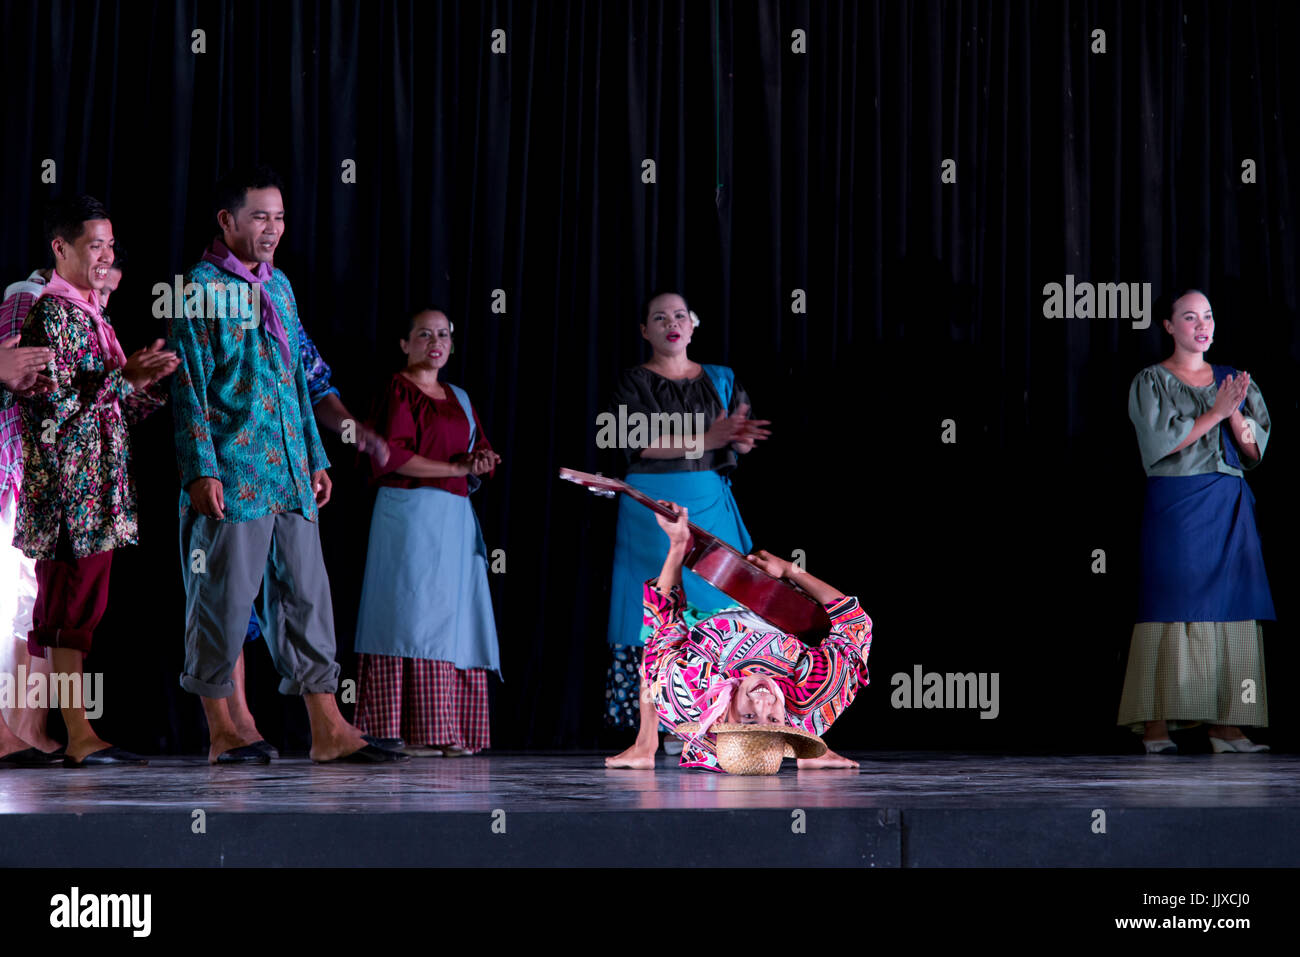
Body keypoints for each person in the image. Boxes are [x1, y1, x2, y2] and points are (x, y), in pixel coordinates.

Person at [169, 164, 403, 764]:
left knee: (306, 597)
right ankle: (223, 731)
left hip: (291, 474)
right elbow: (189, 388)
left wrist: (316, 457)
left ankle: (328, 729)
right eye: (259, 217)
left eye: (279, 217)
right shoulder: (199, 289)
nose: (273, 228)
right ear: (227, 221)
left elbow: (297, 381)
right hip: (234, 474)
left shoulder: (280, 288)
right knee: (222, 599)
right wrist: (200, 471)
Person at [13, 196, 179, 766]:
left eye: (111, 245)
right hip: (65, 491)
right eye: (94, 246)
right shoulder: (50, 313)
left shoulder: (91, 315)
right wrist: (121, 380)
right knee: (65, 613)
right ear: (61, 249)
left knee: (82, 611)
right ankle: (78, 735)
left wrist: (145, 385)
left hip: (97, 487)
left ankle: (78, 734)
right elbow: (48, 408)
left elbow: (107, 414)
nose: (106, 256)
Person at [604, 291, 770, 769]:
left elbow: (741, 442)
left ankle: (716, 720)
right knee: (657, 616)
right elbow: (631, 440)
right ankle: (656, 729)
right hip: (652, 510)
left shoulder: (721, 378)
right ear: (645, 331)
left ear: (693, 325)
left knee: (718, 612)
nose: (671, 323)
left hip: (709, 508)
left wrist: (738, 438)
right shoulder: (634, 381)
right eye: (659, 317)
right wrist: (707, 437)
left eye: (679, 315)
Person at [1118, 289, 1273, 754]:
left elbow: (1253, 449)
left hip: (1227, 502)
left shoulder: (1232, 379)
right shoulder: (1151, 381)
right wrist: (1216, 412)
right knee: (1171, 607)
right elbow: (1160, 443)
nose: (1201, 325)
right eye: (1189, 317)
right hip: (1178, 506)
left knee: (1233, 606)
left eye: (1207, 315)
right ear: (1168, 326)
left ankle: (1227, 725)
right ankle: (1155, 725)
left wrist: (1235, 419)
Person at [352, 309, 501, 756]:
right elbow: (392, 457)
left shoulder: (459, 395)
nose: (434, 342)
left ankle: (450, 730)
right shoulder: (399, 389)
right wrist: (453, 467)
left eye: (443, 335)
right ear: (405, 343)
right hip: (409, 515)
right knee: (410, 616)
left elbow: (481, 450)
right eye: (423, 334)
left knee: (454, 618)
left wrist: (478, 463)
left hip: (454, 518)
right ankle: (408, 730)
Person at [640, 501, 870, 771]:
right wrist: (787, 569)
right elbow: (854, 623)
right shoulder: (814, 698)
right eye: (773, 719)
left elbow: (663, 620)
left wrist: (677, 544)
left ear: (722, 720)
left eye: (749, 716)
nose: (763, 701)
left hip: (705, 621)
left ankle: (643, 745)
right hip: (780, 613)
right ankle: (813, 753)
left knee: (649, 655)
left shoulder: (685, 692)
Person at [0, 268, 56, 765]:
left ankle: (21, 726)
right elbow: (14, 369)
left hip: (25, 480)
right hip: (12, 475)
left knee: (24, 609)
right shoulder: (29, 297)